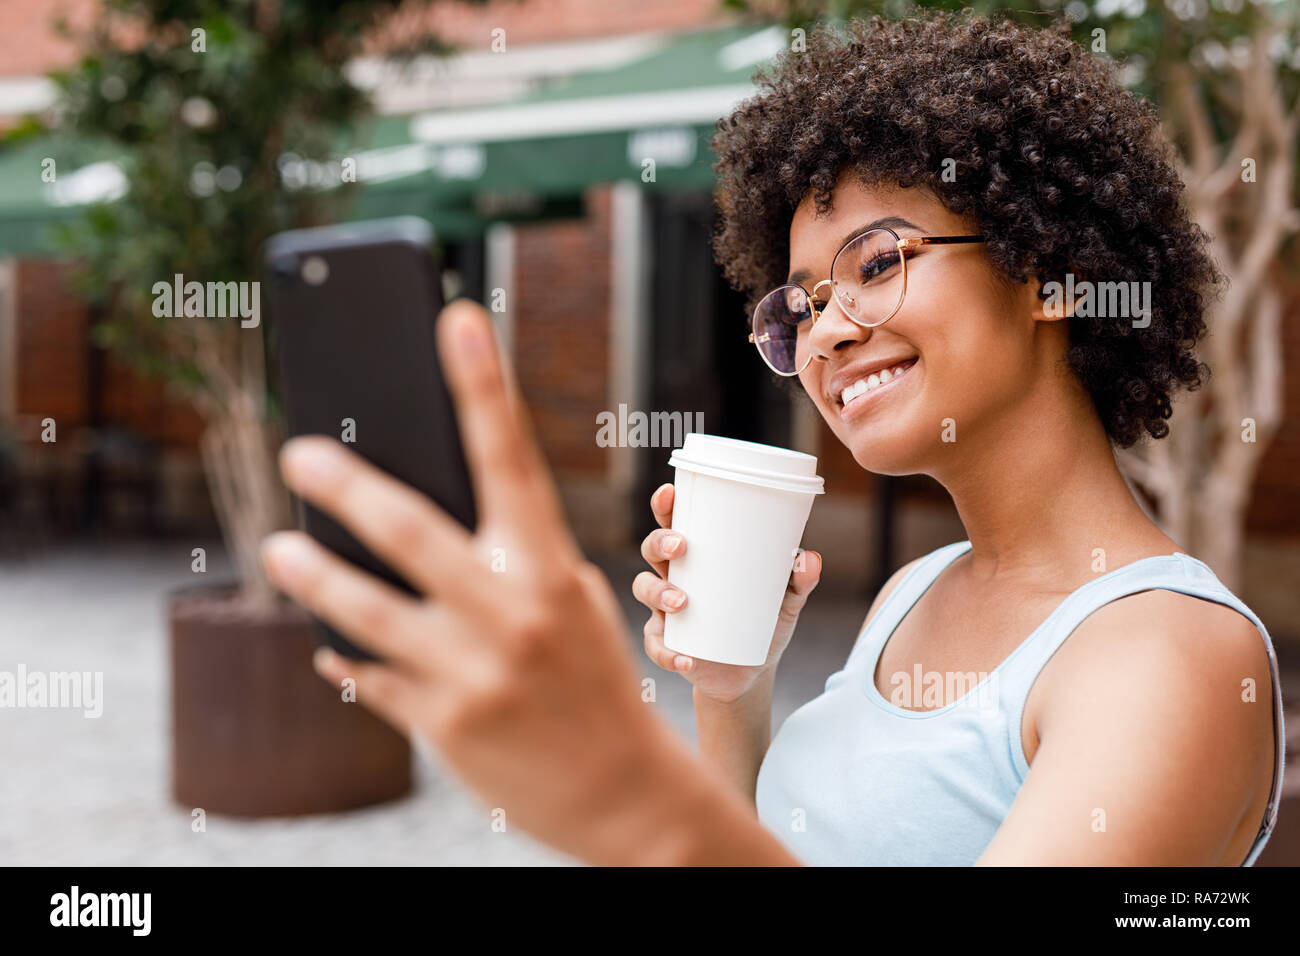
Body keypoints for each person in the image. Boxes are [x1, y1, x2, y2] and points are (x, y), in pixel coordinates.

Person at [263, 11, 1284, 866]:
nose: (829, 328)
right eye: (801, 301)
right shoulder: (909, 595)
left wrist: (619, 784)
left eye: (877, 262)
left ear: (1049, 270)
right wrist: (730, 690)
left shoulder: (1171, 655)